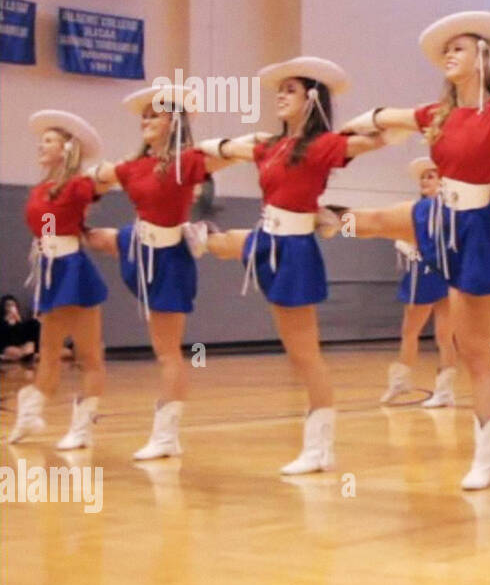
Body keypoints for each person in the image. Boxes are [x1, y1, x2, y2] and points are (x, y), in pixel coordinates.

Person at [335, 11, 490, 490]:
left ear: (484, 58)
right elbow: (387, 116)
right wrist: (348, 133)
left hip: (476, 227)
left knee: (476, 353)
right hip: (437, 217)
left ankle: (487, 456)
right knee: (362, 221)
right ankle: (313, 226)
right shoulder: (439, 115)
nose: (448, 55)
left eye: (460, 48)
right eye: (445, 50)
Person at [200, 56, 390, 474]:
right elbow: (216, 154)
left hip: (294, 248)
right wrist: (216, 149)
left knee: (305, 354)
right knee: (295, 351)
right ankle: (197, 239)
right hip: (267, 240)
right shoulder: (269, 144)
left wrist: (364, 125)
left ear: (311, 99)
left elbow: (377, 139)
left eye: (290, 91)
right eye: (279, 91)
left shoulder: (323, 146)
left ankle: (320, 445)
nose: (280, 97)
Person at [82, 84, 237, 459]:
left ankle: (167, 435)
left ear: (175, 121)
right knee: (94, 238)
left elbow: (229, 155)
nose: (147, 119)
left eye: (156, 113)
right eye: (144, 115)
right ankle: (82, 421)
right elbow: (93, 181)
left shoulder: (188, 161)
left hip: (168, 258)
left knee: (167, 353)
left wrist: (243, 146)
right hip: (138, 245)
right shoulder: (132, 166)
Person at [8, 111, 109, 448]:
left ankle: (82, 428)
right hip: (50, 269)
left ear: (67, 148)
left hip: (72, 269)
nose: (41, 145)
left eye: (49, 140)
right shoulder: (42, 188)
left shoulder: (79, 184)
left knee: (89, 356)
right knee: (48, 352)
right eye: (42, 140)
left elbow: (107, 180)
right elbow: (46, 224)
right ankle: (30, 412)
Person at [380, 157, 457, 409]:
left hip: (441, 272)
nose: (425, 180)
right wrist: (405, 244)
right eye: (423, 177)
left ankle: (444, 390)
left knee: (444, 335)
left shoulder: (450, 208)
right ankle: (402, 381)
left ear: (442, 181)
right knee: (410, 331)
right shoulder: (415, 208)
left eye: (431, 176)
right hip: (420, 273)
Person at [0, 294, 40, 363]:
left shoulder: (21, 321)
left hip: (21, 346)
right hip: (8, 347)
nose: (11, 308)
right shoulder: (2, 322)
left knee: (29, 346)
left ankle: (25, 357)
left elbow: (25, 336)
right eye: (8, 305)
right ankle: (22, 357)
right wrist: (6, 322)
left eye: (13, 305)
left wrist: (19, 322)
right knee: (14, 351)